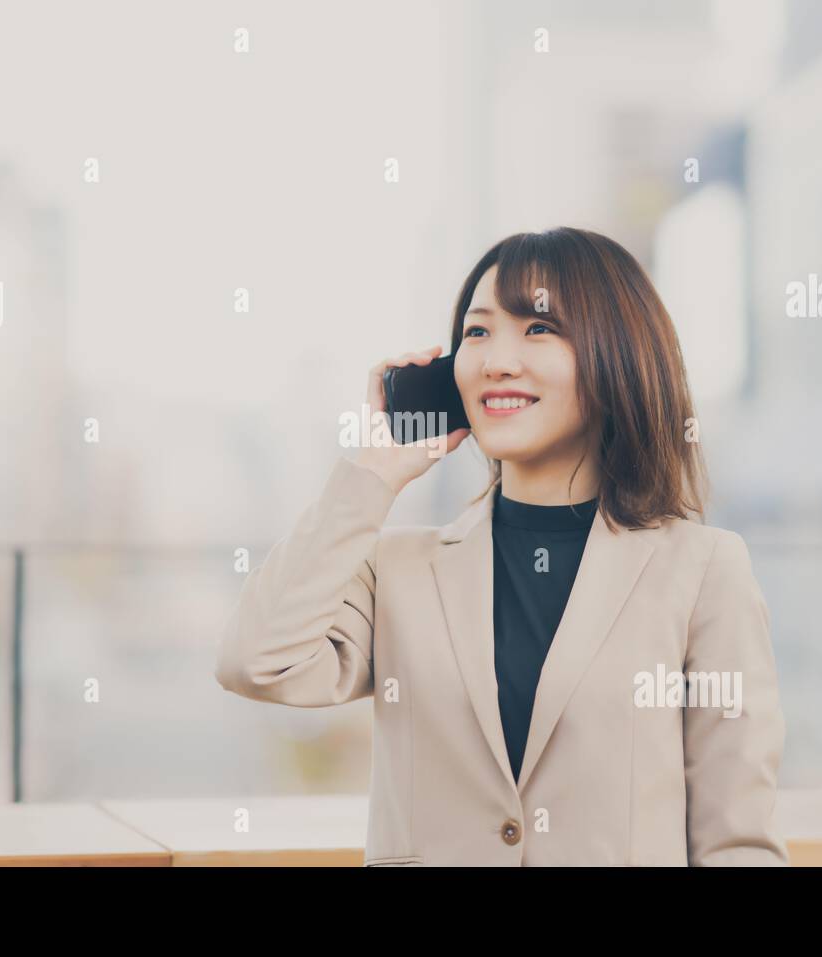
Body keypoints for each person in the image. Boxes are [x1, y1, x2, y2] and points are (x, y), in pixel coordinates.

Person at [215, 226, 789, 866]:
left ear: (616, 355)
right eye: (478, 332)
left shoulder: (704, 571)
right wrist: (374, 474)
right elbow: (254, 660)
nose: (495, 360)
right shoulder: (399, 569)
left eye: (538, 329)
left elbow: (738, 843)